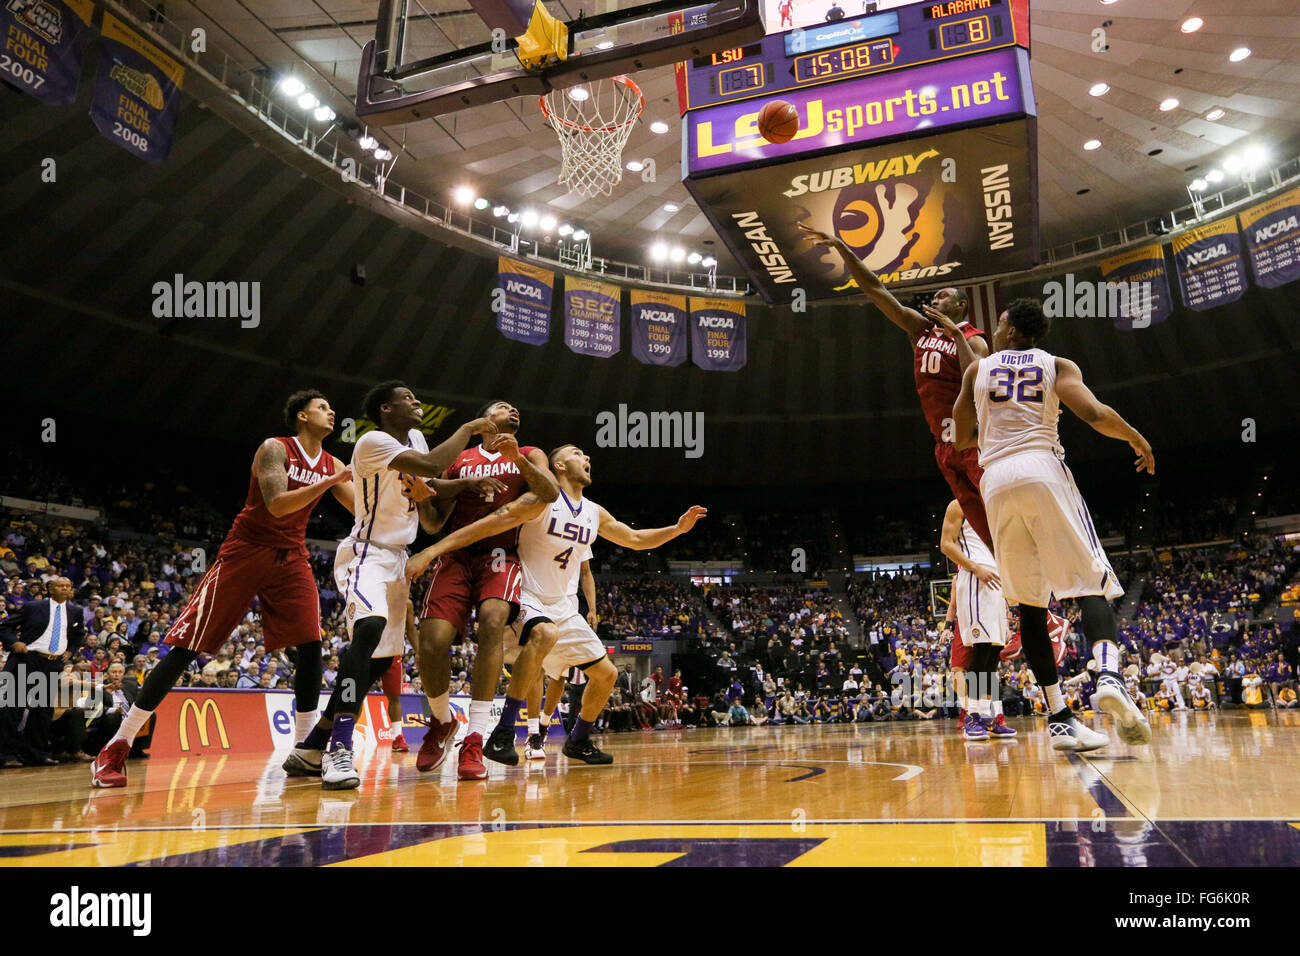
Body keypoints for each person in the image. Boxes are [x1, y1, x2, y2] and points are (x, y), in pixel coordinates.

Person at [90, 391, 354, 787]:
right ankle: (118, 744)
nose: (332, 412)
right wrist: (332, 481)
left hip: (291, 554)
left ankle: (304, 747)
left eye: (331, 409)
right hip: (246, 550)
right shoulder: (275, 448)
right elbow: (278, 504)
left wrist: (400, 493)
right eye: (322, 408)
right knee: (188, 646)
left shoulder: (331, 462)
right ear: (302, 416)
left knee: (311, 643)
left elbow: (361, 510)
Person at [407, 444, 705, 765]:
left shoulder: (594, 512)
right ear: (559, 466)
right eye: (578, 453)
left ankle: (578, 740)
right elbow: (490, 524)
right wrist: (432, 550)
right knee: (544, 635)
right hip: (527, 596)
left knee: (606, 675)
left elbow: (633, 539)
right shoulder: (542, 500)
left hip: (565, 607)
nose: (587, 457)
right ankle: (504, 733)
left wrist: (676, 529)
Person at [953, 298, 1153, 753]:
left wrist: (989, 414)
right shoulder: (1055, 363)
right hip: (1042, 467)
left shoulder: (976, 371)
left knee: (1029, 605)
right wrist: (1136, 438)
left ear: (1006, 330)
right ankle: (1108, 676)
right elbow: (1095, 414)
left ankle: (1060, 716)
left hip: (996, 481)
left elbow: (961, 436)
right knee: (1089, 583)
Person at [284, 383, 498, 789]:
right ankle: (338, 750)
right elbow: (434, 466)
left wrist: (466, 486)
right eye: (408, 398)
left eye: (418, 397)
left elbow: (430, 490)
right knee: (368, 630)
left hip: (399, 558)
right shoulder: (372, 441)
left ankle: (312, 747)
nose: (417, 402)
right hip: (366, 552)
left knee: (381, 662)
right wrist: (469, 428)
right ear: (386, 409)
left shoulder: (415, 439)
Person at [412, 400, 559, 781]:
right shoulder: (460, 458)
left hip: (501, 552)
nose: (514, 410)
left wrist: (520, 461)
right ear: (484, 418)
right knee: (431, 642)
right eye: (503, 406)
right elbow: (433, 524)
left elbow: (550, 491)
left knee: (493, 622)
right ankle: (442, 722)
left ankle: (475, 737)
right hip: (457, 554)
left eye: (517, 409)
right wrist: (422, 495)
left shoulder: (528, 452)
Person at [938, 498, 1015, 741]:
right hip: (975, 577)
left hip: (996, 580)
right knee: (980, 650)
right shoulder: (957, 504)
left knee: (994, 652)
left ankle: (985, 716)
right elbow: (945, 545)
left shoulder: (993, 505)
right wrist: (974, 568)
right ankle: (971, 716)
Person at [0, 576, 85, 766]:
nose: (65, 589)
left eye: (68, 586)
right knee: (15, 708)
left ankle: (36, 753)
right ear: (50, 589)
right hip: (29, 659)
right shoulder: (33, 607)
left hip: (53, 664)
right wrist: (14, 642)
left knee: (43, 711)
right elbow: (5, 627)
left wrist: (70, 651)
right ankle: (6, 755)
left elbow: (80, 635)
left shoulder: (75, 611)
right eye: (60, 586)